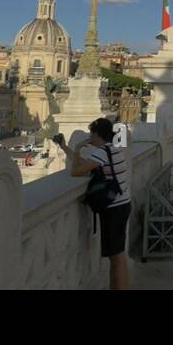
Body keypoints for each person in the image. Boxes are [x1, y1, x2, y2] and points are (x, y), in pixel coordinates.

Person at [55, 118, 131, 290]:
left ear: (96, 134)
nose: (89, 136)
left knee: (117, 258)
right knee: (117, 257)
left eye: (91, 133)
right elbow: (84, 164)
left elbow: (76, 171)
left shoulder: (102, 153)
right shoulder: (112, 150)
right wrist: (64, 147)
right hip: (122, 204)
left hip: (114, 210)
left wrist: (79, 147)